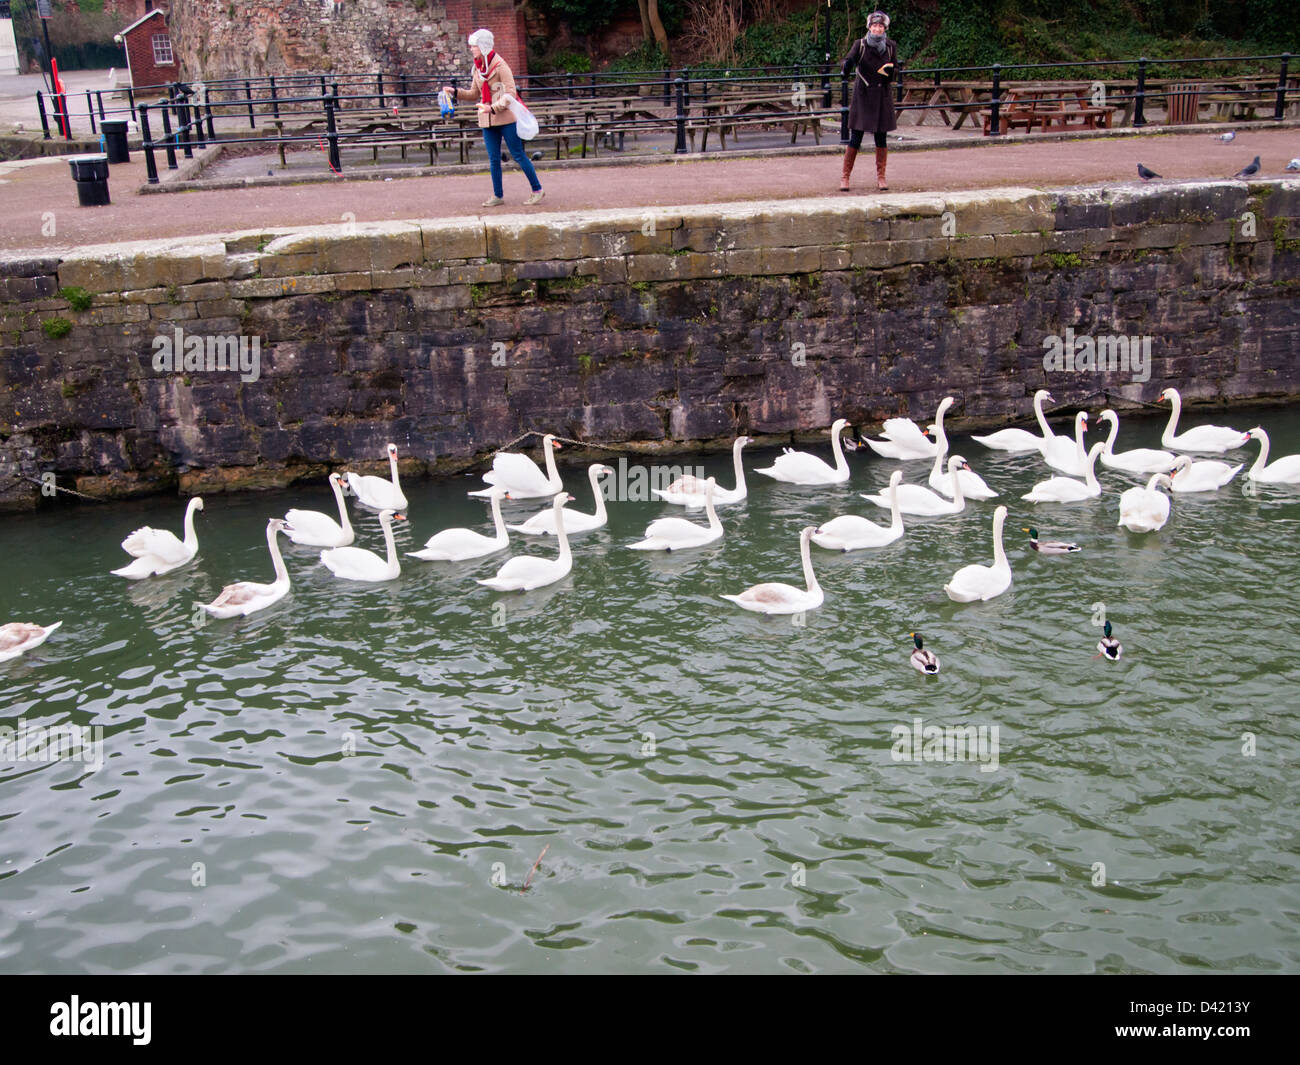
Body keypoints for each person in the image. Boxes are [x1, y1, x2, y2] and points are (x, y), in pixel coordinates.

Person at [443, 28, 544, 207]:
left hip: (505, 118)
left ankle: (537, 190)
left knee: (518, 155)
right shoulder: (477, 68)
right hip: (487, 119)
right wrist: (456, 92)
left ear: (482, 46)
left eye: (474, 46)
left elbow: (511, 93)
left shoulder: (500, 65)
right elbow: (474, 93)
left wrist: (493, 108)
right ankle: (498, 195)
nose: (471, 49)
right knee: (494, 159)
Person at [840, 11, 898, 192]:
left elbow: (896, 69)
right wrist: (847, 66)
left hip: (882, 95)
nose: (877, 29)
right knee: (855, 137)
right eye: (874, 26)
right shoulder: (861, 44)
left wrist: (890, 73)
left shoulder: (890, 46)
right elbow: (848, 62)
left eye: (880, 26)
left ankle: (881, 177)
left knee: (881, 138)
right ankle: (845, 177)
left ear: (884, 28)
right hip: (863, 95)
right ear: (869, 27)